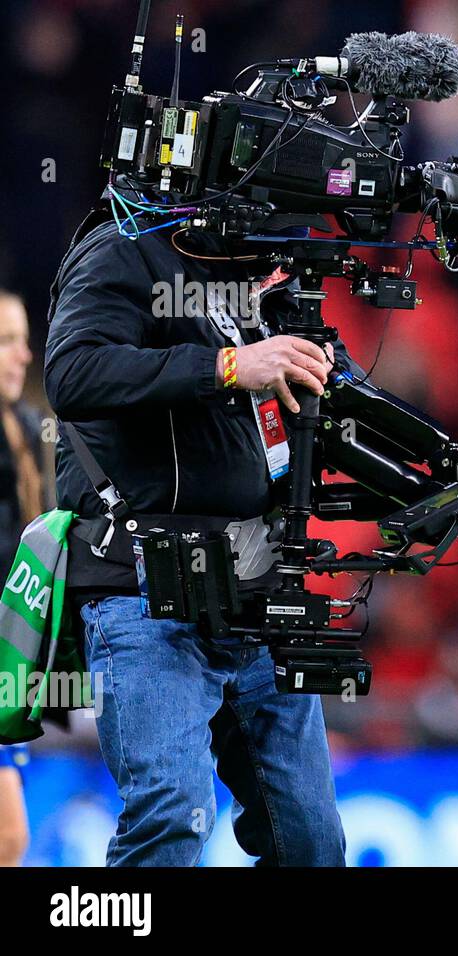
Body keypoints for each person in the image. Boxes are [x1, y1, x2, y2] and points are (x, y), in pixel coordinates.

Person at [44, 194, 349, 866]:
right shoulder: (123, 247)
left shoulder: (265, 276)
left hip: (256, 585)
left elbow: (328, 404)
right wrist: (231, 367)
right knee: (173, 816)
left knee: (311, 841)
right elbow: (71, 372)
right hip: (143, 589)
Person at [0, 290, 47, 867]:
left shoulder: (26, 427)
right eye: (7, 341)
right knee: (10, 836)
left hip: (7, 664)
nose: (25, 355)